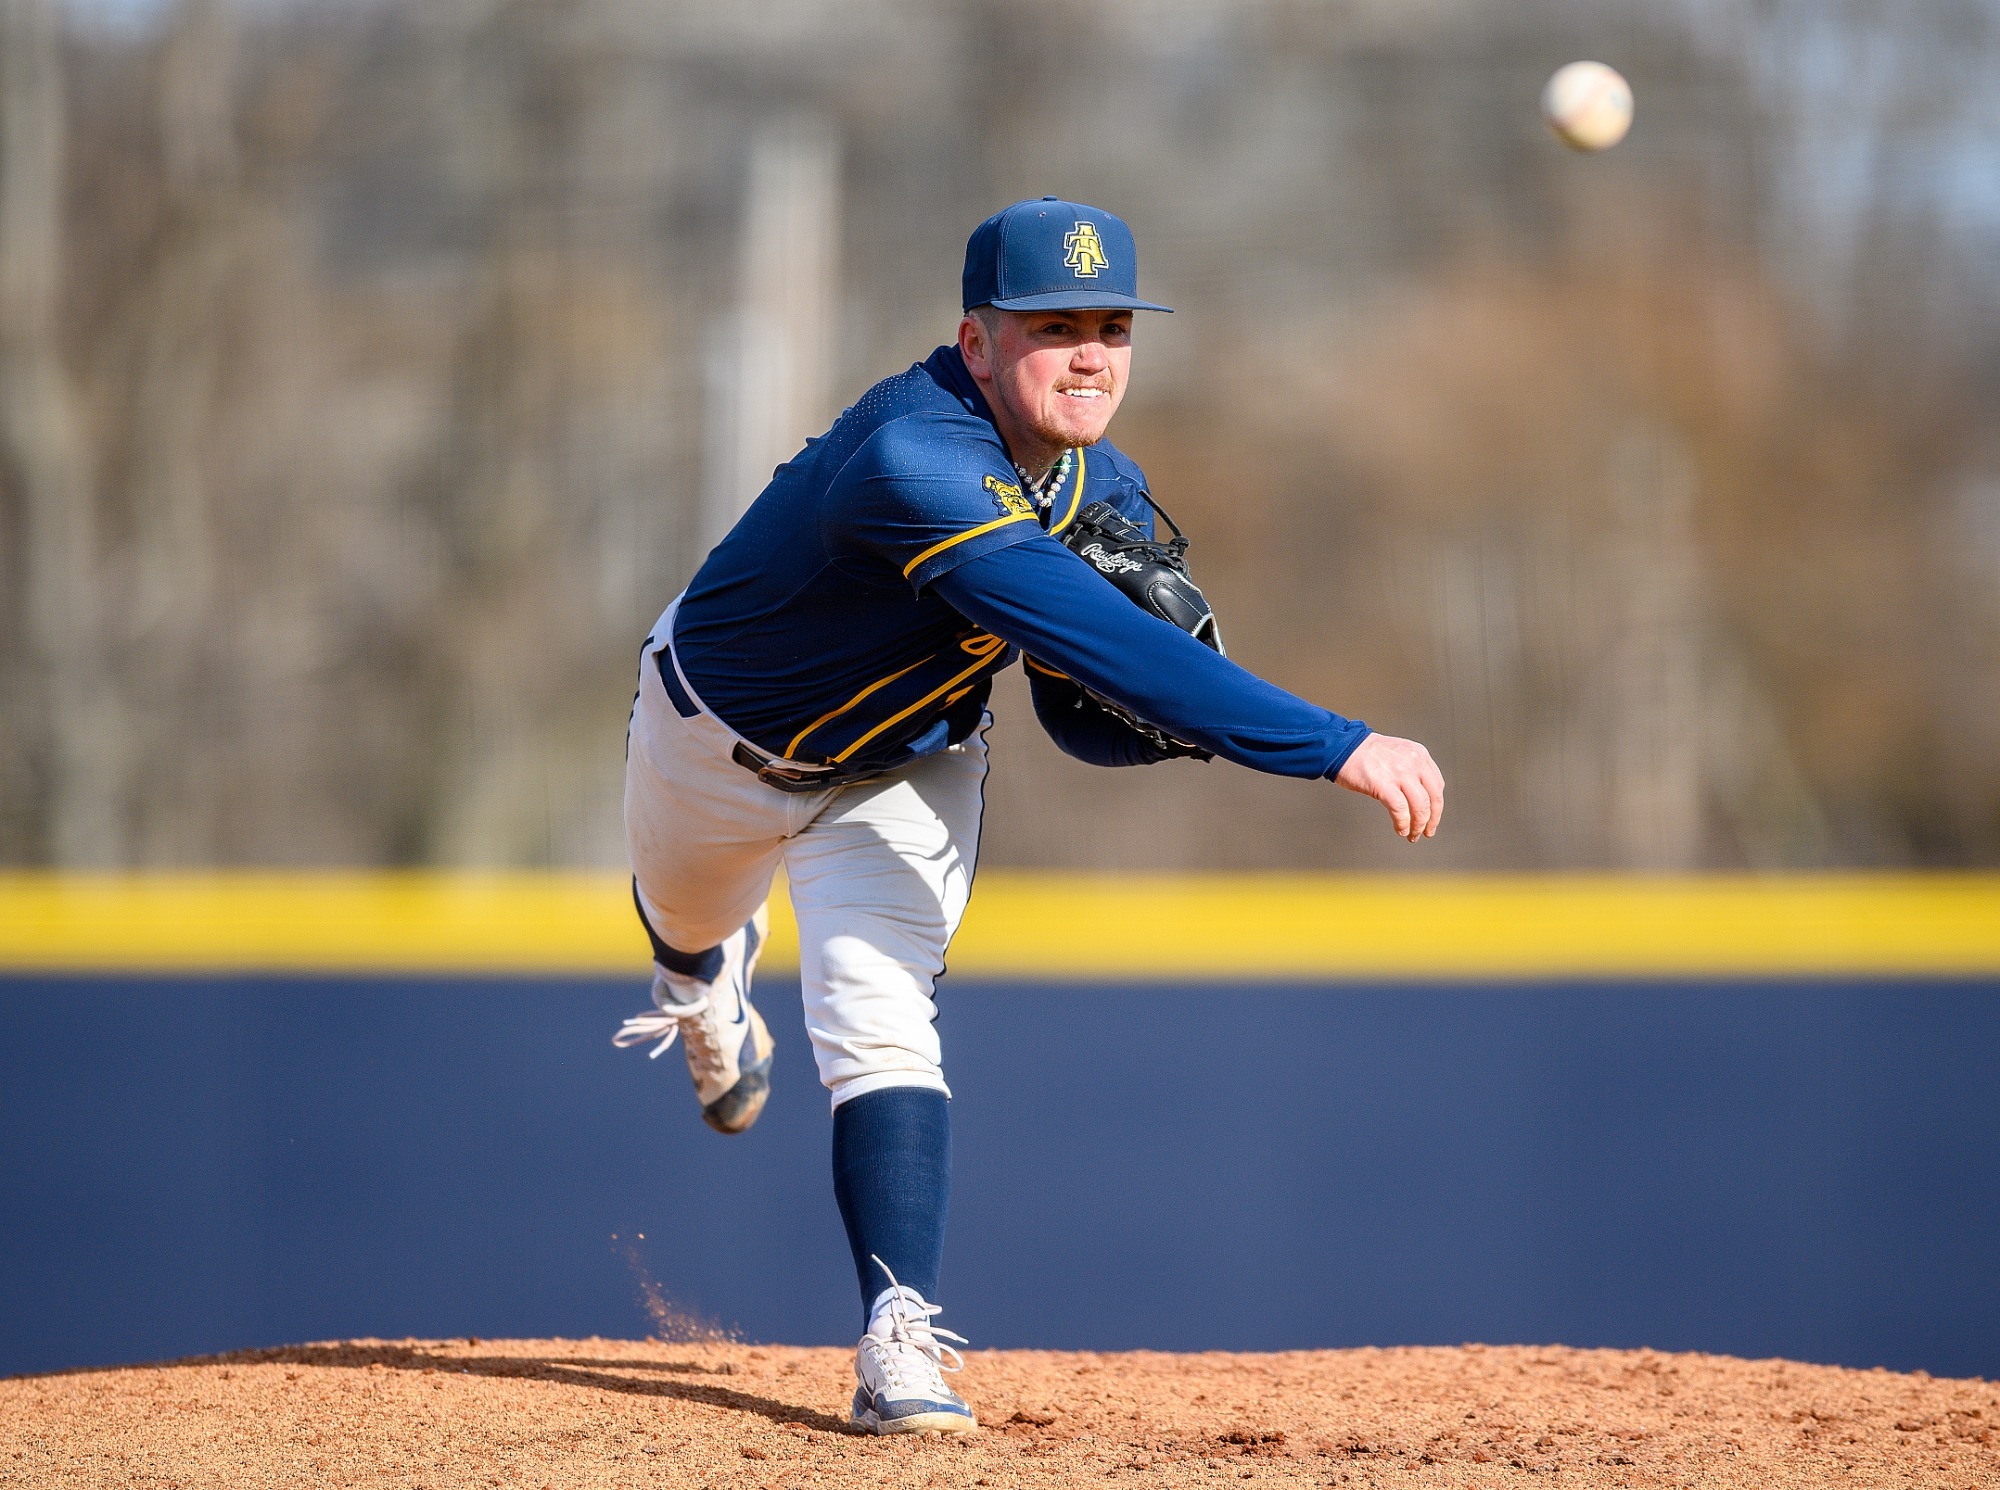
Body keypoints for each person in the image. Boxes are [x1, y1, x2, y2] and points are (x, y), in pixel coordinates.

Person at [615, 197, 1445, 1435]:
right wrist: (1332, 743)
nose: (1090, 355)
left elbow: (1077, 703)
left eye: (1112, 326)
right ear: (976, 339)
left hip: (901, 768)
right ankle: (701, 984)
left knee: (878, 1015)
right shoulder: (914, 460)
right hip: (712, 742)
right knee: (684, 920)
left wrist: (1145, 712)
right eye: (1052, 326)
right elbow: (1103, 637)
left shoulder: (1101, 482)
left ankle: (897, 1335)